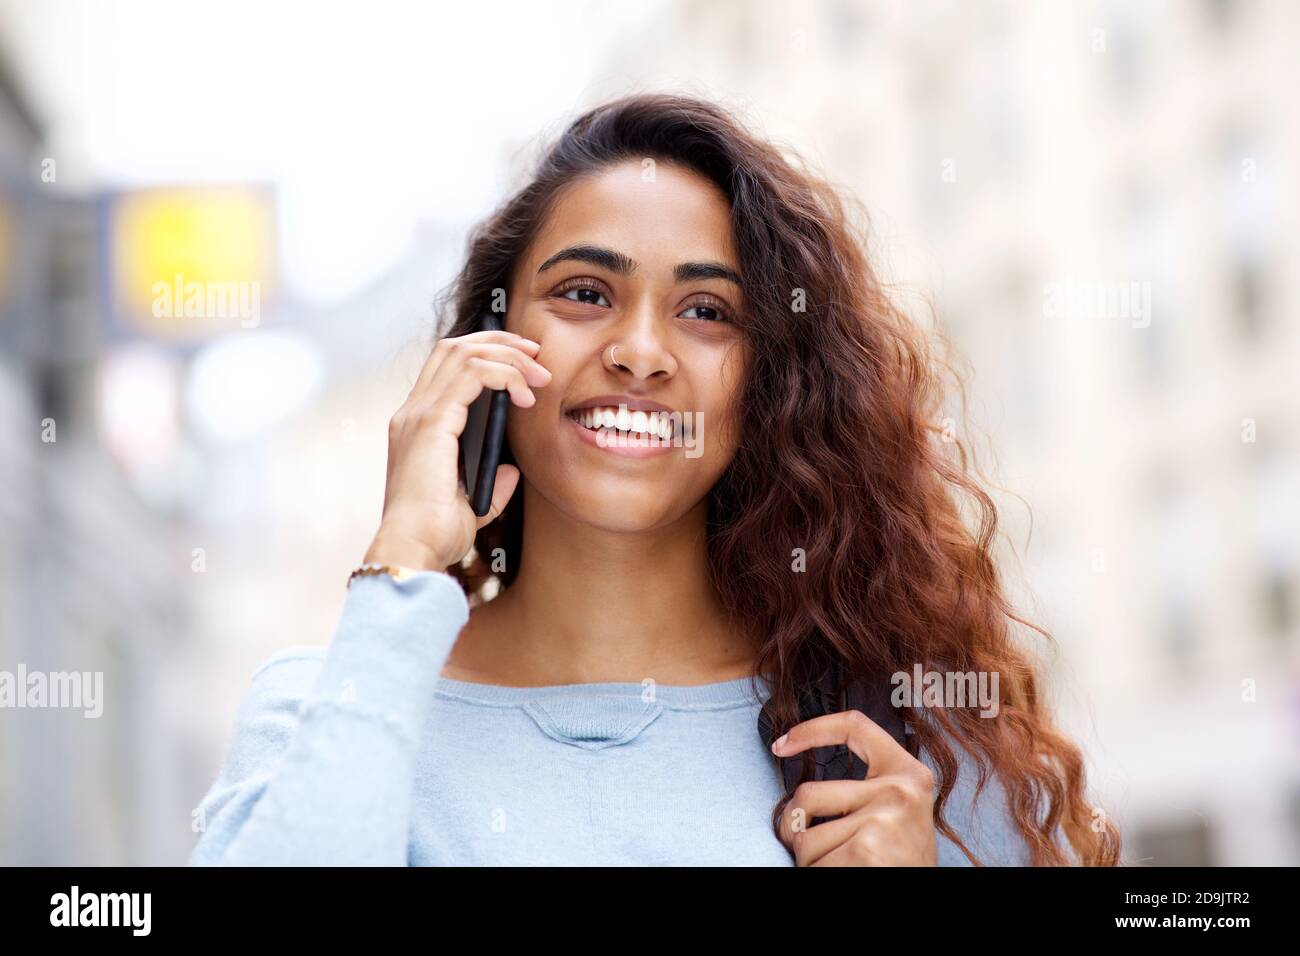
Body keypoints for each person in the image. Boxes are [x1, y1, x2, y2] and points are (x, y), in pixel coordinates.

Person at [189, 92, 1121, 866]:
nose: (640, 353)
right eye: (585, 294)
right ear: (488, 345)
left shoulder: (917, 762)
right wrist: (401, 566)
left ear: (773, 380)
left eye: (707, 310)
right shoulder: (330, 710)